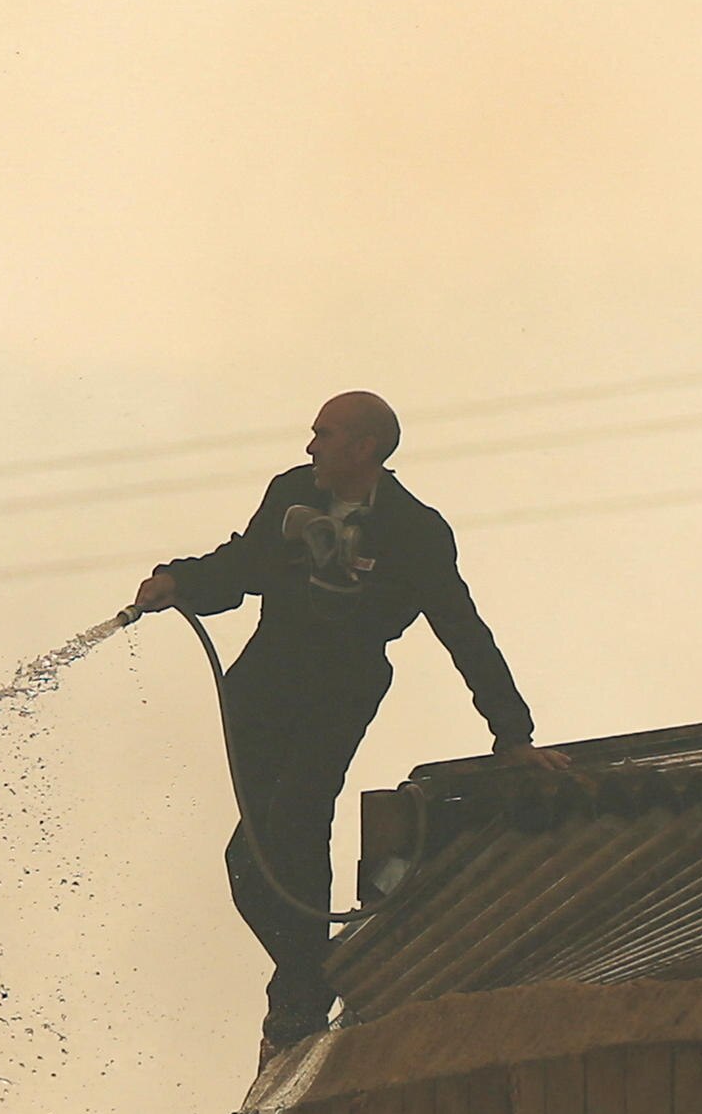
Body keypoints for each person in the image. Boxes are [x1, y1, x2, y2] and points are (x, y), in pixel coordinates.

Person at [135, 390, 570, 1051]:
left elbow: (461, 628)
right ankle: (307, 976)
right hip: (264, 688)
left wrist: (512, 733)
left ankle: (299, 997)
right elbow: (243, 568)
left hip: (339, 692)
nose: (311, 446)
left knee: (298, 825)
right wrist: (179, 581)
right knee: (251, 860)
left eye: (325, 434)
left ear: (363, 448)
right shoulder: (288, 493)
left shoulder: (415, 530)